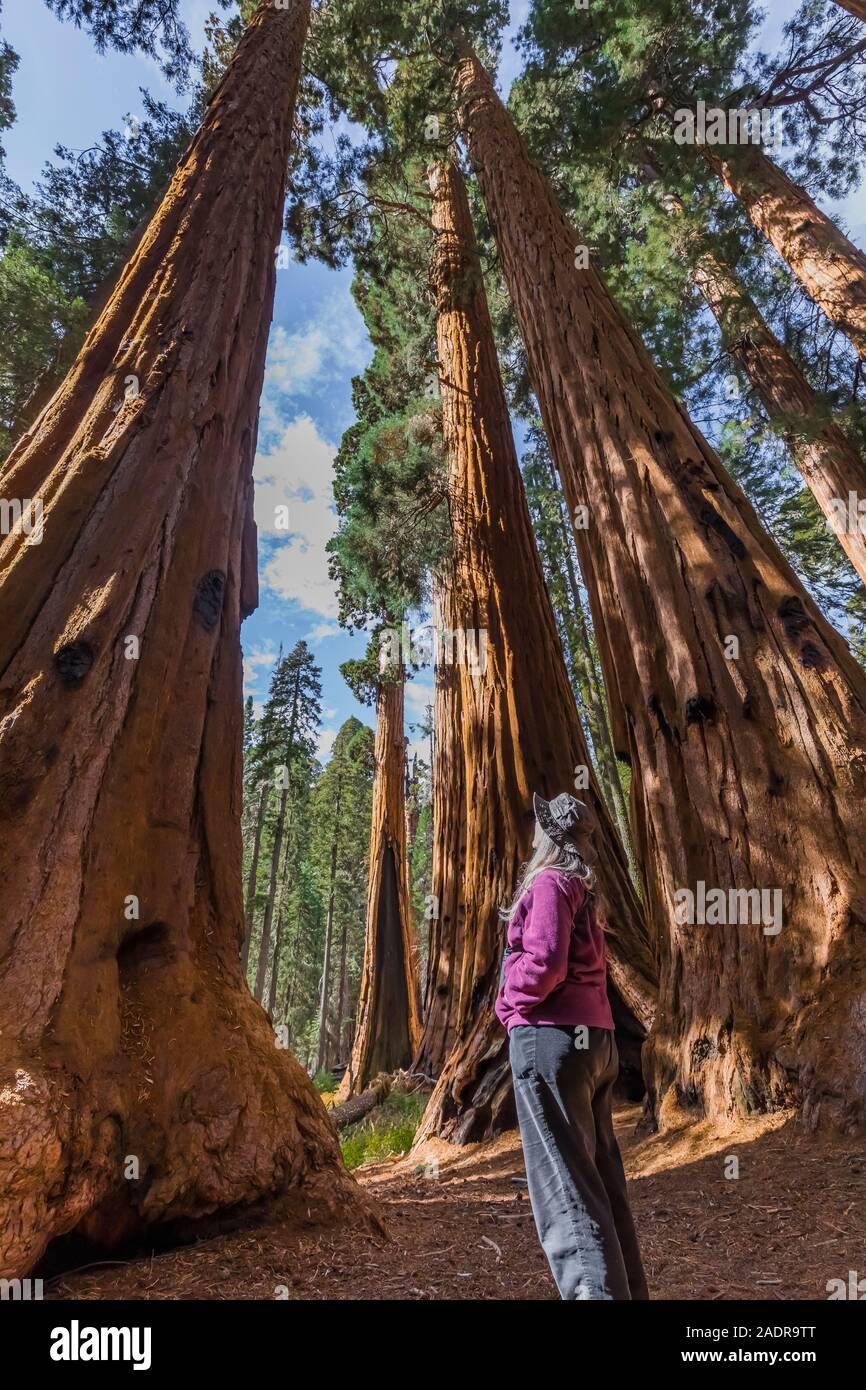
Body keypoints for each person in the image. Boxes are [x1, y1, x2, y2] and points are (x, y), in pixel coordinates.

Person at [496, 791, 649, 1301]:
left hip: (551, 1043)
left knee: (567, 1196)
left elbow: (546, 963)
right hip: (595, 1044)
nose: (533, 834)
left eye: (540, 827)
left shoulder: (547, 883)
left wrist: (509, 999)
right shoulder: (586, 890)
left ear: (550, 836)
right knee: (602, 1187)